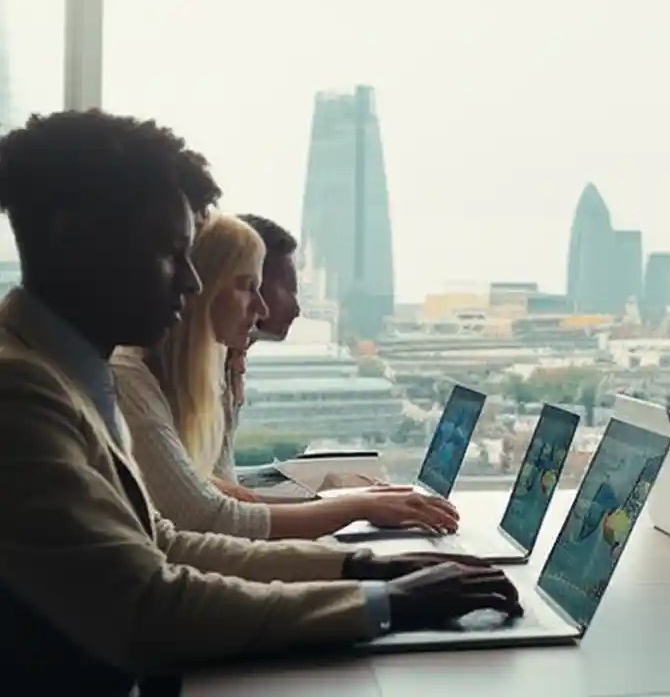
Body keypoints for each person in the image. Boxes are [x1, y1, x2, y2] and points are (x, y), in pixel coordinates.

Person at [0, 111, 520, 692]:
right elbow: (145, 609)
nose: (192, 285)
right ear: (76, 239)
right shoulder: (19, 396)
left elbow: (164, 544)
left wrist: (366, 567)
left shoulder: (65, 372)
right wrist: (384, 602)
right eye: (171, 254)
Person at [112, 211, 458, 540]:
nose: (289, 307)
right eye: (252, 286)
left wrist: (331, 495)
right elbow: (209, 514)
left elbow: (212, 487)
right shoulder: (133, 383)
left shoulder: (209, 372)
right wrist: (349, 506)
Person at [207, 213, 303, 503]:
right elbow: (199, 496)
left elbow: (216, 478)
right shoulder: (178, 372)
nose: (297, 308)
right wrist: (346, 507)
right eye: (287, 287)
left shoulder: (229, 363)